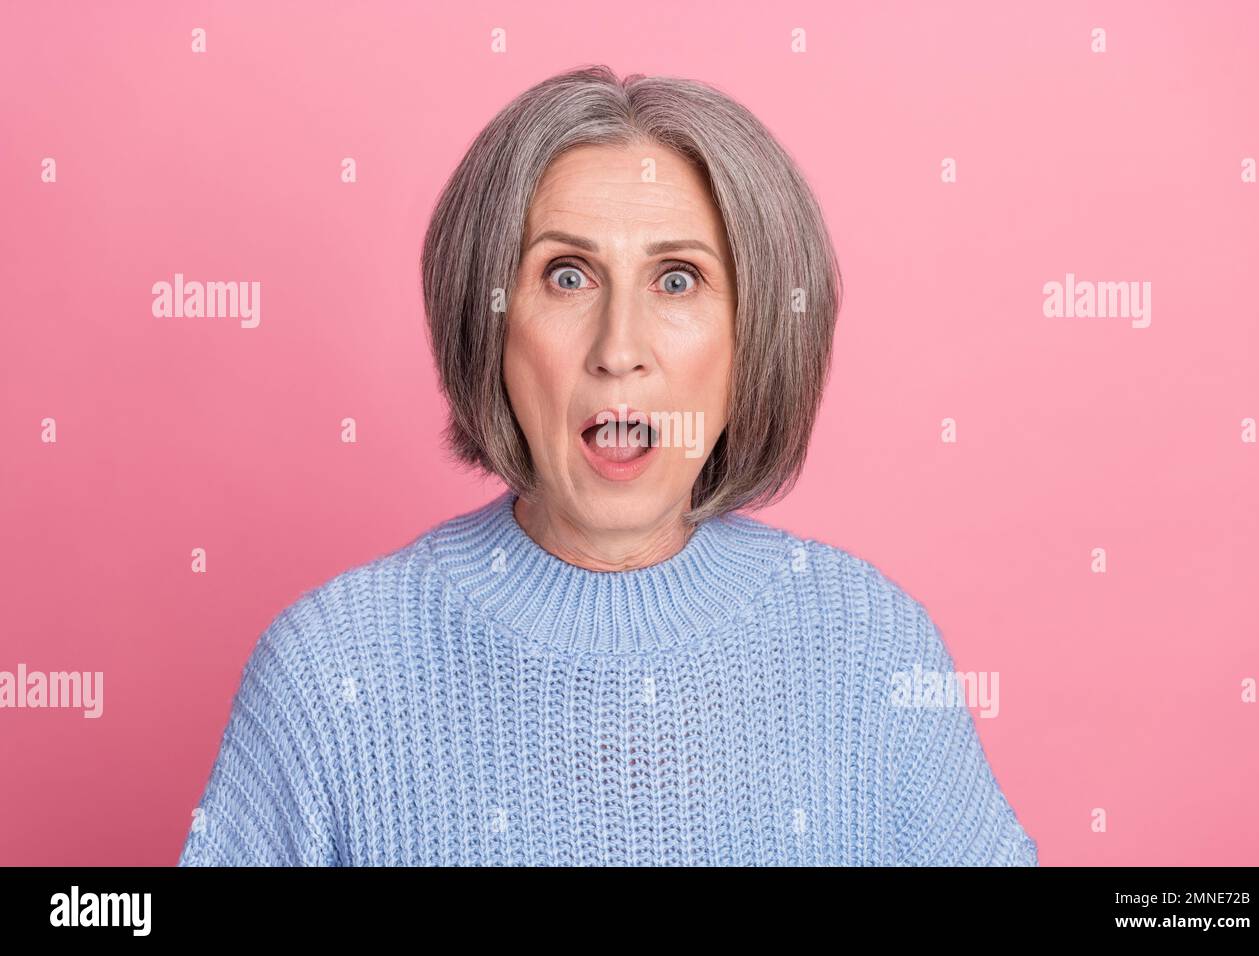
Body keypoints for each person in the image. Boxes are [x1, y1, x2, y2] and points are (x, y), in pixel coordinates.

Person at [178, 64, 1038, 866]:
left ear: (755, 336)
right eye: (566, 276)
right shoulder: (329, 673)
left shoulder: (871, 649)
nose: (619, 350)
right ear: (490, 324)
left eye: (676, 281)